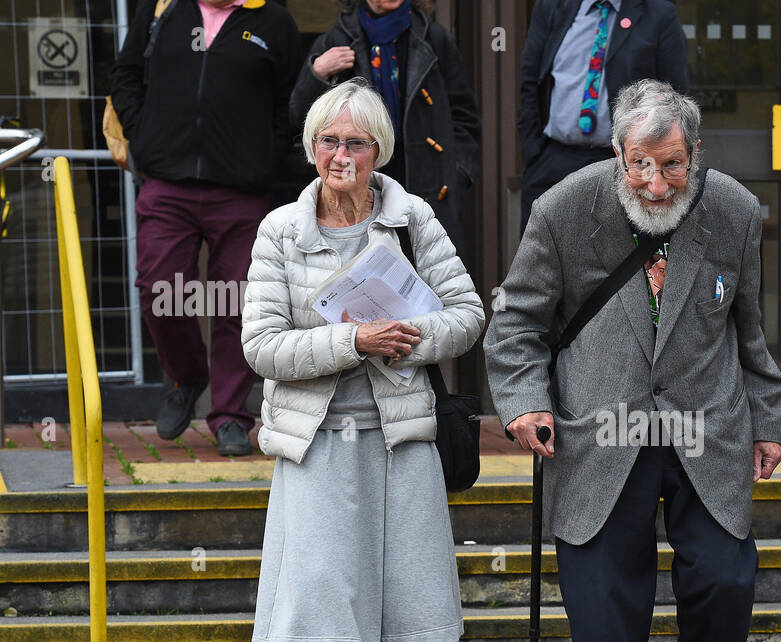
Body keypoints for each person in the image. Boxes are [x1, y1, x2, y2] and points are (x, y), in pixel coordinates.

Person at [485, 79, 781, 642]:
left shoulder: (736, 213)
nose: (655, 184)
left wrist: (767, 418)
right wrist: (525, 400)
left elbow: (750, 331)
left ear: (696, 154)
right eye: (640, 165)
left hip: (705, 430)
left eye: (672, 165)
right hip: (596, 429)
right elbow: (516, 322)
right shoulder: (565, 210)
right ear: (618, 153)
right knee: (601, 610)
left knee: (725, 580)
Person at [242, 79, 485, 642]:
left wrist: (408, 339)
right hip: (316, 442)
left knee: (396, 599)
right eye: (327, 141)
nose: (339, 154)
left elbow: (468, 314)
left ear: (378, 149)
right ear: (311, 148)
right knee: (316, 600)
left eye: (354, 142)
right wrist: (353, 339)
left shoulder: (413, 219)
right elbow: (261, 344)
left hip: (399, 435)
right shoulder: (281, 230)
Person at [110, 0, 300, 456]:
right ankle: (187, 375)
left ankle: (231, 416)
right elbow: (125, 75)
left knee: (235, 301)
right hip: (167, 182)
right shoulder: (163, 10)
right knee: (158, 288)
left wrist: (265, 154)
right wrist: (145, 134)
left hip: (241, 188)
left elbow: (291, 100)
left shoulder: (272, 20)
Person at [290, 0, 481, 255]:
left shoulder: (434, 38)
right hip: (360, 180)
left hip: (426, 181)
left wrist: (456, 175)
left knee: (430, 278)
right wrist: (317, 72)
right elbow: (301, 120)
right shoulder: (335, 40)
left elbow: (464, 118)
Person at [517, 0, 689, 232]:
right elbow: (530, 82)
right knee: (542, 260)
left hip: (622, 166)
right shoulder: (552, 7)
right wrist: (533, 152)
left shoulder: (658, 15)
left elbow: (675, 98)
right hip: (553, 162)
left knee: (614, 262)